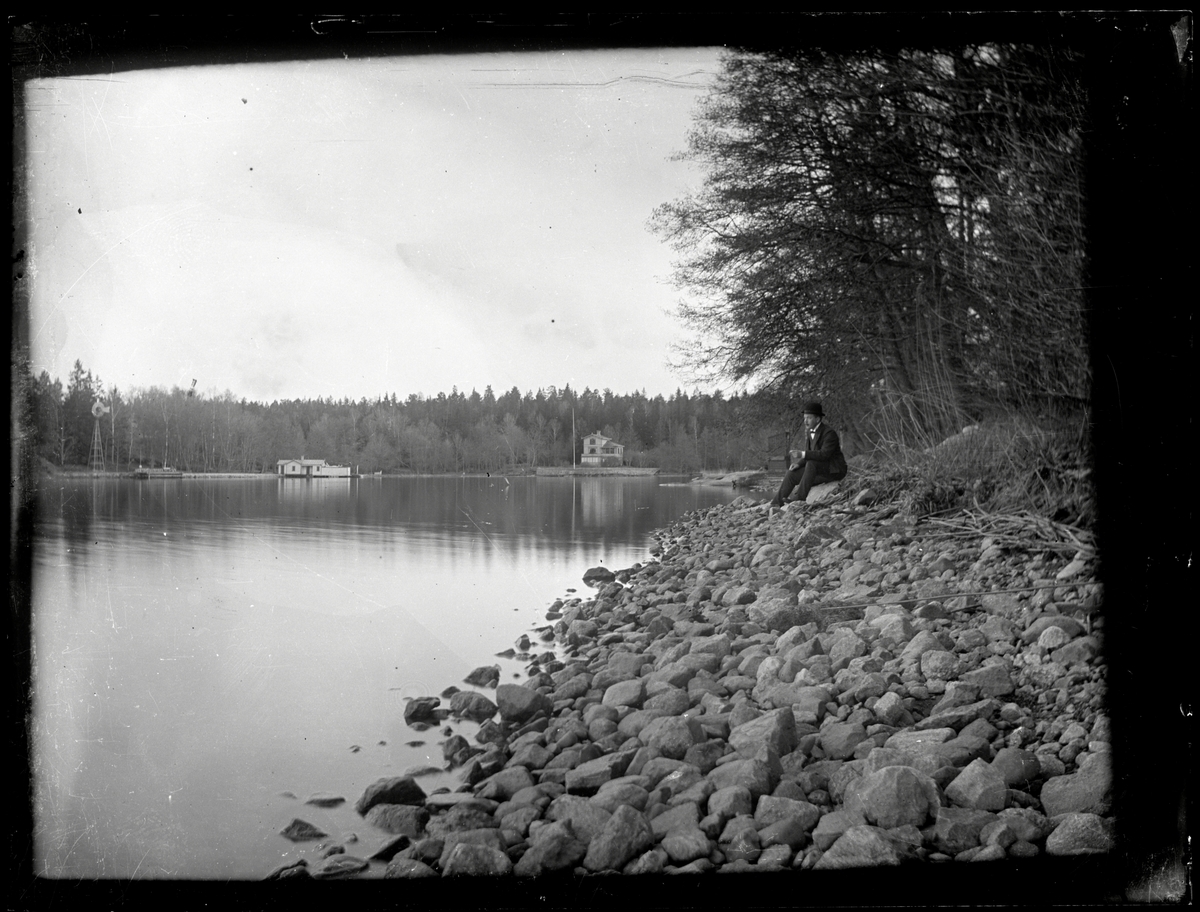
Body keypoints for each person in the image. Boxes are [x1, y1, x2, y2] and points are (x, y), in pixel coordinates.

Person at [769, 401, 847, 507]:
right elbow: (809, 454)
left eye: (809, 418)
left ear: (818, 419)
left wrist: (802, 454)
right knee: (792, 473)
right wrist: (799, 464)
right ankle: (776, 503)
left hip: (834, 470)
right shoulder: (810, 432)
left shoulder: (829, 433)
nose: (805, 421)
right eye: (804, 418)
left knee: (811, 463)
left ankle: (799, 499)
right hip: (817, 469)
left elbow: (824, 455)